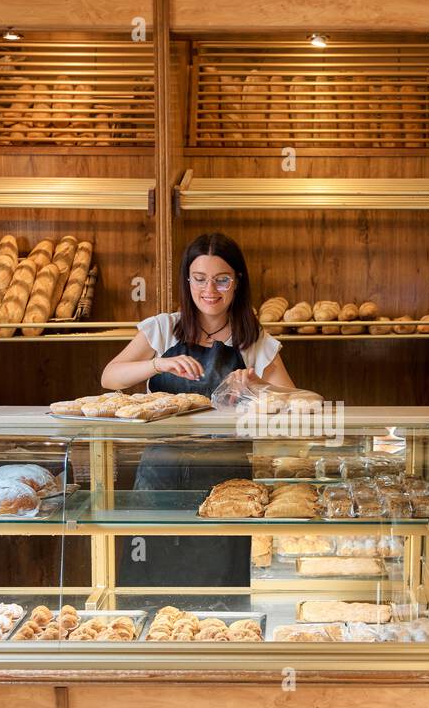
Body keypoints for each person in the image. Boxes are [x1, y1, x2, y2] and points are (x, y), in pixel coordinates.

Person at [102, 232, 298, 592]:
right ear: (187, 281)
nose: (211, 289)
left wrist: (256, 386)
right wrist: (157, 363)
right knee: (149, 576)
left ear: (238, 282)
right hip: (159, 474)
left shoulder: (254, 339)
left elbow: (294, 399)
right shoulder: (162, 329)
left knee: (219, 581)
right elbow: (109, 377)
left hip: (228, 478)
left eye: (222, 279)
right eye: (200, 278)